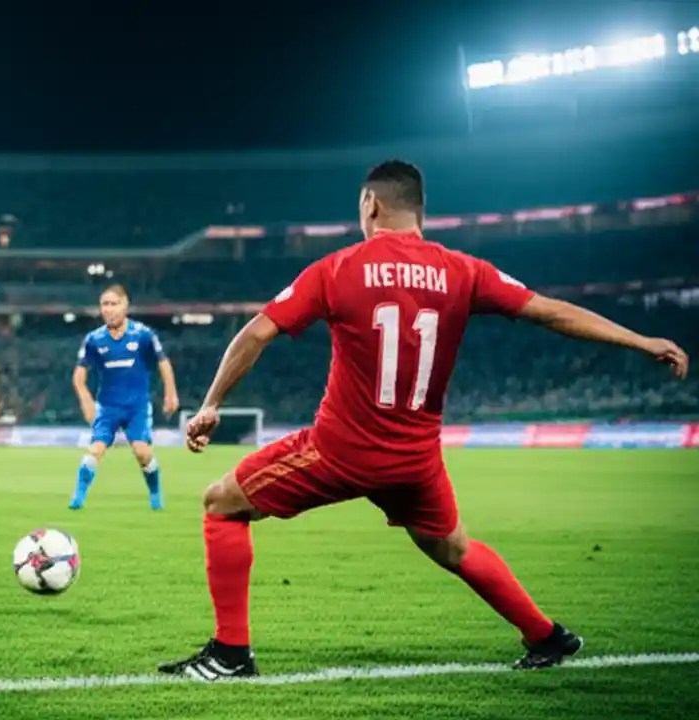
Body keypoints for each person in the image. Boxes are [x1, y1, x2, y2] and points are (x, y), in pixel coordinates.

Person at [159, 160, 689, 681]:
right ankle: (545, 635)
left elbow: (256, 333)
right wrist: (640, 340)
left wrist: (211, 403)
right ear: (420, 210)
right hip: (415, 460)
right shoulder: (463, 270)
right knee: (453, 547)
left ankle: (230, 654)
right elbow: (550, 311)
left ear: (371, 204)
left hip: (340, 451)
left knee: (221, 503)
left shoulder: (338, 269)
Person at [70, 284, 179, 510]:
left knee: (142, 452)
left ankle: (155, 491)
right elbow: (79, 376)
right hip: (108, 407)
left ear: (125, 305)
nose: (108, 309)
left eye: (113, 304)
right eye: (104, 304)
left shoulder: (143, 335)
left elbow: (163, 362)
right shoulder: (94, 339)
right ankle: (78, 496)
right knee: (96, 449)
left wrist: (171, 392)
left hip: (136, 406)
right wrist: (86, 400)